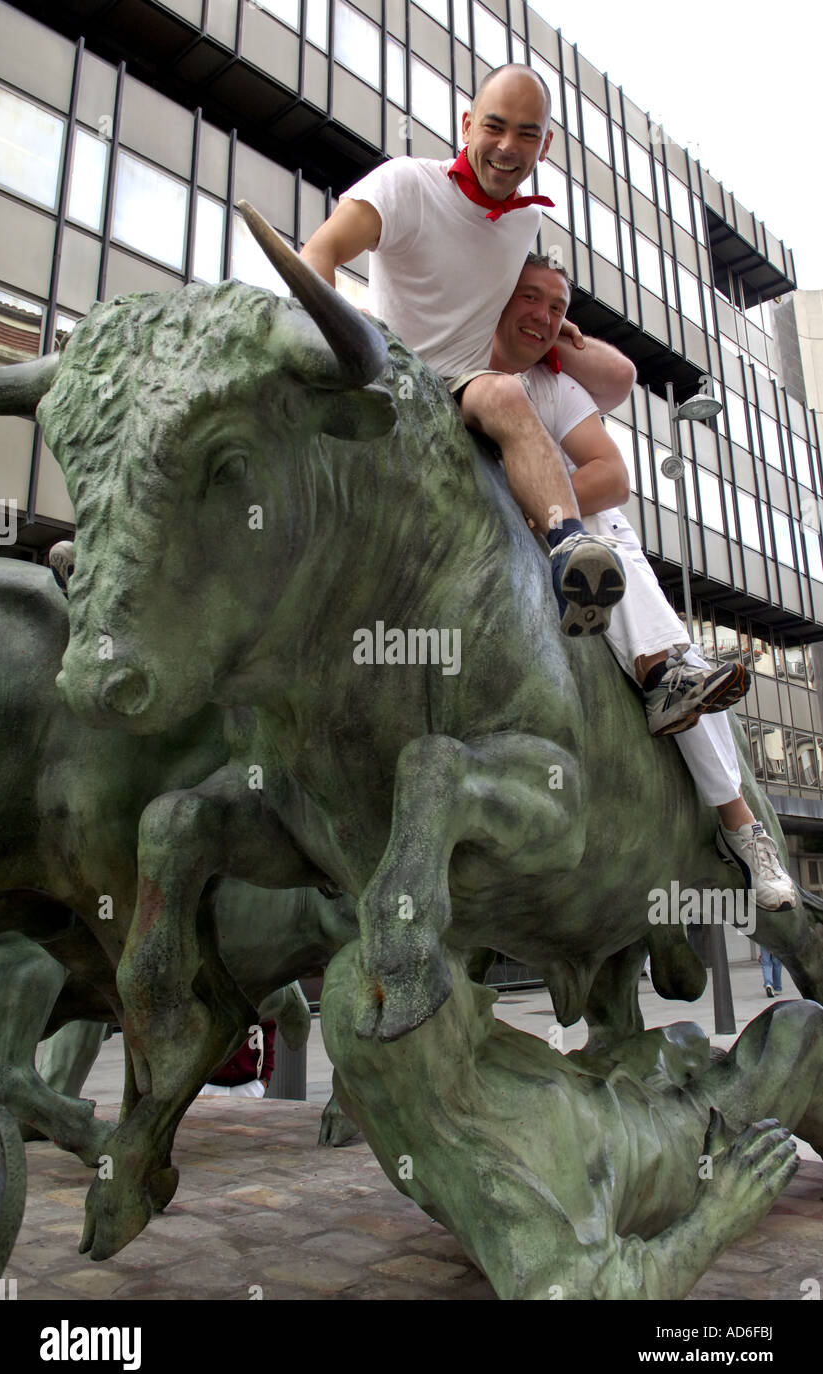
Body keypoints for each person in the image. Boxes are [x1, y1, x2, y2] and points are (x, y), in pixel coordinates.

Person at [489, 254, 796, 911]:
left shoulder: (552, 386)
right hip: (498, 541)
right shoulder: (458, 370)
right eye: (530, 298)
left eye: (556, 306)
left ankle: (740, 824)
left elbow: (610, 474)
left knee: (611, 560)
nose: (544, 316)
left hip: (578, 535)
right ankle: (668, 680)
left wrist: (536, 502)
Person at [301, 63, 636, 638]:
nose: (508, 148)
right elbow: (320, 252)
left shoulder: (527, 220)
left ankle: (568, 546)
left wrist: (559, 324)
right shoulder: (406, 185)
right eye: (495, 127)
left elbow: (491, 288)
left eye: (527, 134)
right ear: (466, 124)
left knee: (505, 390)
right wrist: (337, 346)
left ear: (545, 143)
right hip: (397, 377)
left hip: (462, 389)